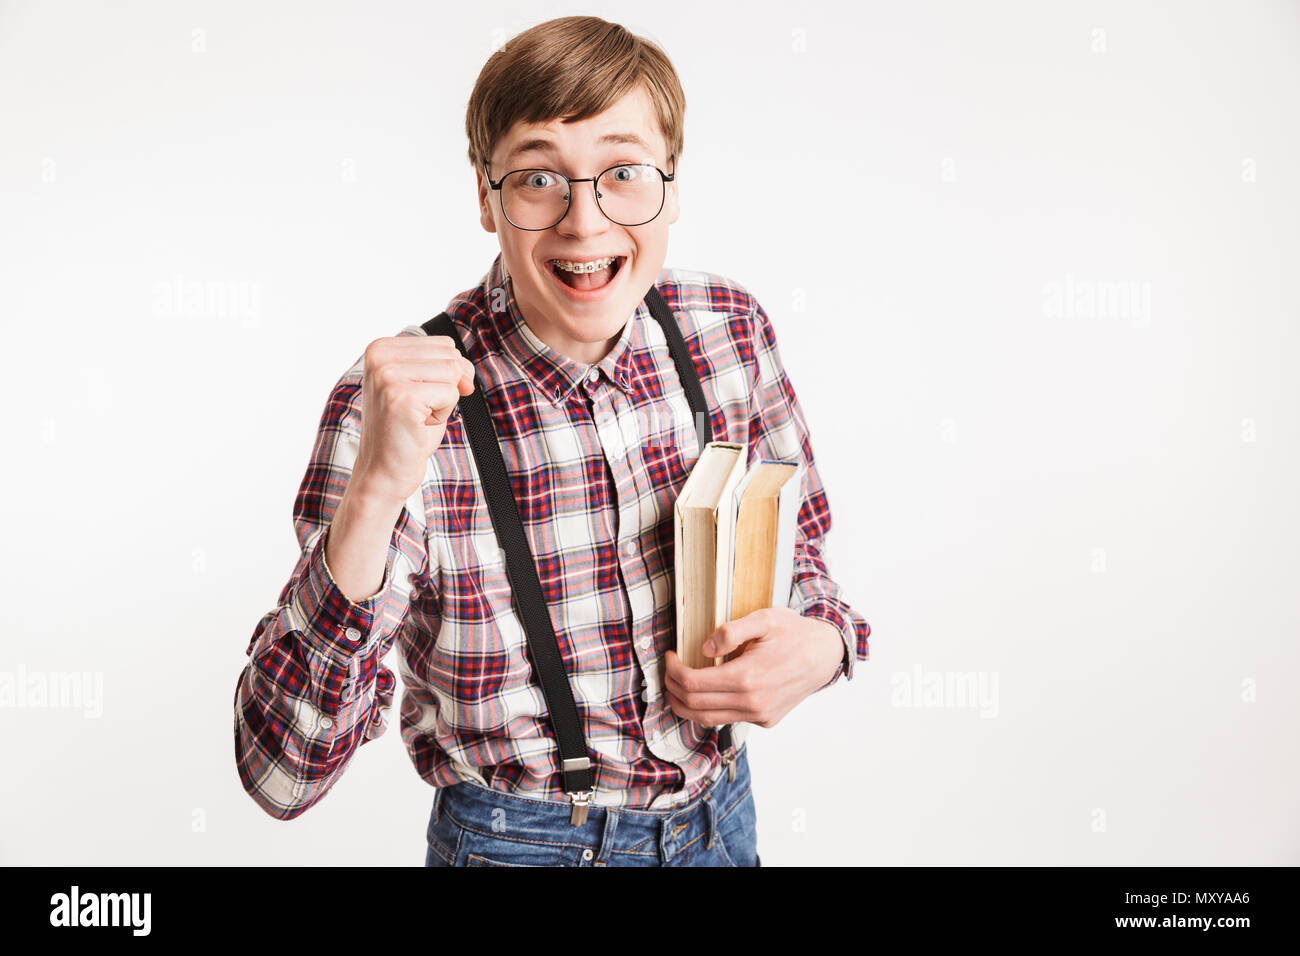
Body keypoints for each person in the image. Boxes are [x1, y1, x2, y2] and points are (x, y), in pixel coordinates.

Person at [233, 14, 870, 867]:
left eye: (623, 171)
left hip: (722, 824)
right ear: (487, 200)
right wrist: (378, 492)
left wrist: (823, 645)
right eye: (539, 178)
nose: (585, 219)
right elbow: (282, 776)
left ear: (672, 186)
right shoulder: (394, 403)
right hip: (519, 846)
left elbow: (807, 561)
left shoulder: (728, 330)